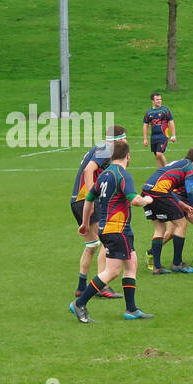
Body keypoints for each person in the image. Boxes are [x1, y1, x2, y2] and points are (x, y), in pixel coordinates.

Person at [72, 140, 154, 321]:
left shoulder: (103, 175)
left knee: (131, 264)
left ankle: (131, 309)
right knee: (112, 271)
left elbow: (88, 199)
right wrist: (147, 200)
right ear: (128, 156)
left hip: (111, 228)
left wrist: (85, 223)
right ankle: (80, 303)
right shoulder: (123, 176)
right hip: (117, 229)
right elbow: (134, 200)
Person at [70, 126, 126, 302]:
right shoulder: (107, 149)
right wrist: (91, 197)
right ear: (117, 139)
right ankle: (103, 285)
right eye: (124, 139)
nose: (126, 143)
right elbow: (89, 170)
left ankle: (81, 287)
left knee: (92, 245)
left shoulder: (101, 148)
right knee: (106, 240)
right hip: (85, 199)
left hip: (76, 201)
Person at [141, 147, 193, 274]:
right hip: (159, 194)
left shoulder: (180, 163)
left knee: (159, 229)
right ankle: (177, 264)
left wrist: (181, 204)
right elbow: (190, 190)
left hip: (146, 191)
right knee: (181, 223)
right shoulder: (189, 167)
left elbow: (168, 187)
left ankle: (157, 267)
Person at [144, 92, 176, 167]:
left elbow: (171, 122)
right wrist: (145, 139)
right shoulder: (149, 112)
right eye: (157, 99)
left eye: (160, 99)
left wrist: (173, 135)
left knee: (159, 154)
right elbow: (145, 125)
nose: (159, 101)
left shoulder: (165, 110)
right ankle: (160, 173)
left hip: (163, 135)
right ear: (153, 101)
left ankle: (166, 169)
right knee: (157, 156)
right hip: (153, 137)